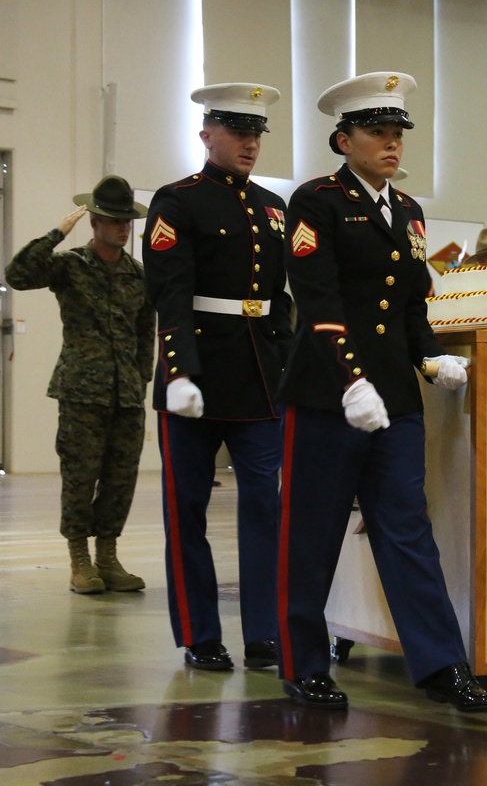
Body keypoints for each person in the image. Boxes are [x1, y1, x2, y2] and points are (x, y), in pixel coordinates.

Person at [276, 71, 487, 713]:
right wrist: (352, 381)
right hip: (329, 397)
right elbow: (316, 302)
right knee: (312, 535)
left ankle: (440, 666)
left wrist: (431, 356)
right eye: (378, 131)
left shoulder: (408, 211)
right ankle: (303, 664)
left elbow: (408, 305)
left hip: (395, 402)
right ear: (344, 139)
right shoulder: (315, 202)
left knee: (407, 531)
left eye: (398, 131)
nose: (392, 143)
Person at [142, 83, 294, 672]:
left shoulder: (274, 209)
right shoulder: (177, 201)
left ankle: (263, 630)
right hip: (196, 376)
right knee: (188, 509)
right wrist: (179, 371)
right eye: (237, 131)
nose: (250, 143)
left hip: (259, 374)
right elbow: (170, 292)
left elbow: (280, 300)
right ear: (207, 135)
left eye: (256, 133)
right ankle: (201, 634)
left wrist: (286, 362)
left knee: (265, 506)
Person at [6, 176, 153, 595]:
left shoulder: (138, 276)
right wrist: (55, 234)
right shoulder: (69, 266)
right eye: (113, 220)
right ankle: (80, 561)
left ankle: (107, 557)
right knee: (80, 476)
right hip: (80, 392)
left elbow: (146, 333)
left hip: (126, 394)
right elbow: (17, 274)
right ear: (94, 221)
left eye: (127, 220)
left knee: (120, 479)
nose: (123, 228)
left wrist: (140, 379)